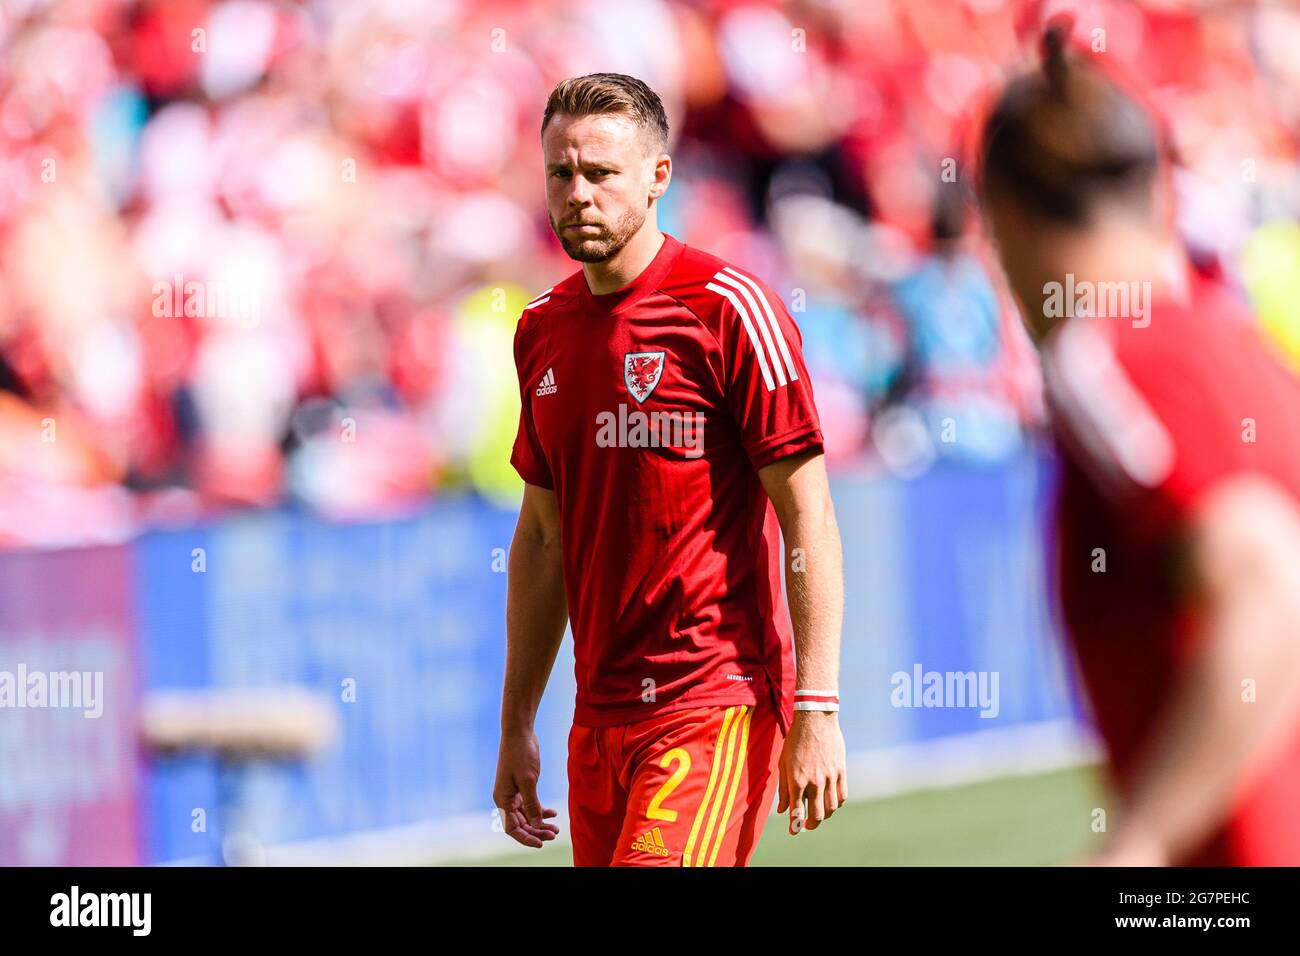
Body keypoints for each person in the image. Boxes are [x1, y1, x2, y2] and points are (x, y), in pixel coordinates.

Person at [492, 73, 847, 866]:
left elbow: (808, 516)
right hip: (599, 720)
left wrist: (817, 707)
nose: (577, 193)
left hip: (713, 703)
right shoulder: (541, 331)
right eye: (561, 173)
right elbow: (544, 540)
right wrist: (518, 723)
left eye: (600, 173)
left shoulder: (729, 308)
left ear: (658, 177)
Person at [977, 25, 1300, 865]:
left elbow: (1270, 586)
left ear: (1003, 213)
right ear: (1160, 189)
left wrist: (1139, 844)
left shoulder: (1105, 356)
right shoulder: (1241, 345)